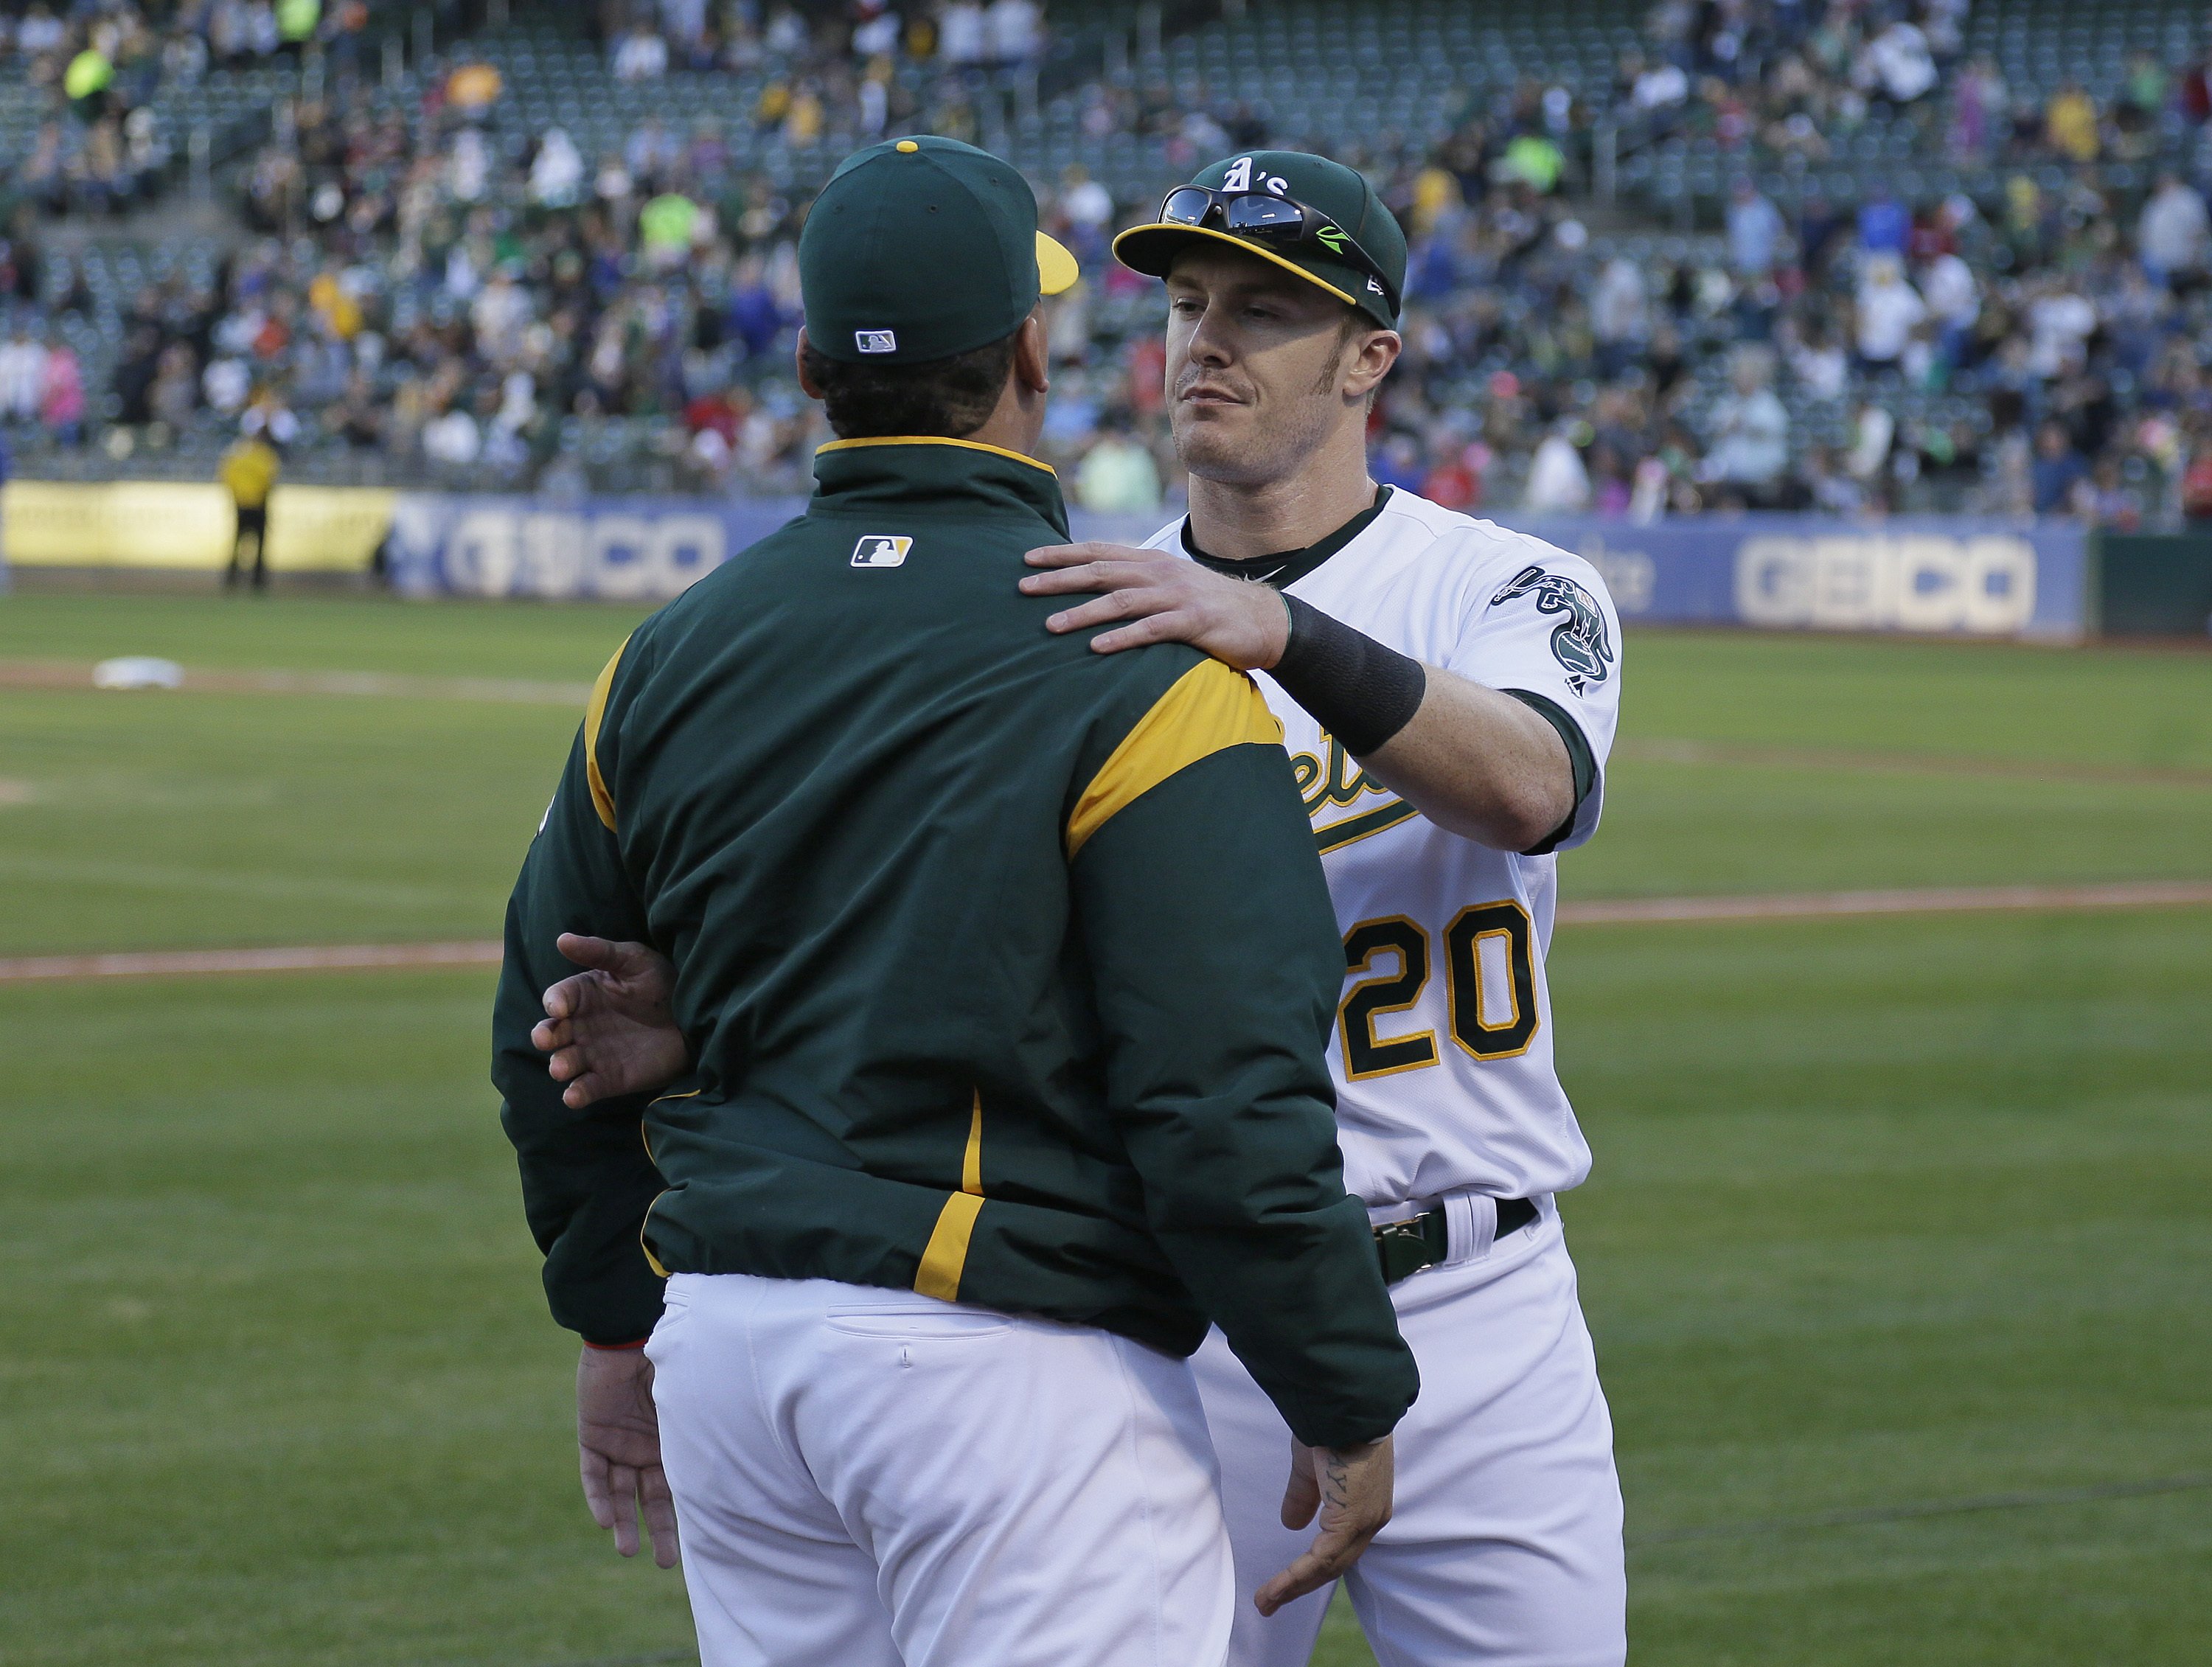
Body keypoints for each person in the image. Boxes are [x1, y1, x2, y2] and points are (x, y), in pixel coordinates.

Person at [544, 148, 1630, 1667]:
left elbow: (1533, 784)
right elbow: (925, 914)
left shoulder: (1507, 582)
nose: (1207, 340)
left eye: (1266, 309)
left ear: (1373, 355)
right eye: (1186, 302)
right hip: (1209, 1294)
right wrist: (713, 1018)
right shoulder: (1081, 607)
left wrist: (1286, 633)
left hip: (1482, 1291)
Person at [218, 422, 280, 591]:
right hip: (258, 505)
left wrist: (238, 495)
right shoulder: (266, 456)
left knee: (238, 543)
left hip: (241, 504)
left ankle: (232, 580)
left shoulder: (238, 456)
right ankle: (257, 582)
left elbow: (226, 476)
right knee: (259, 545)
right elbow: (270, 480)